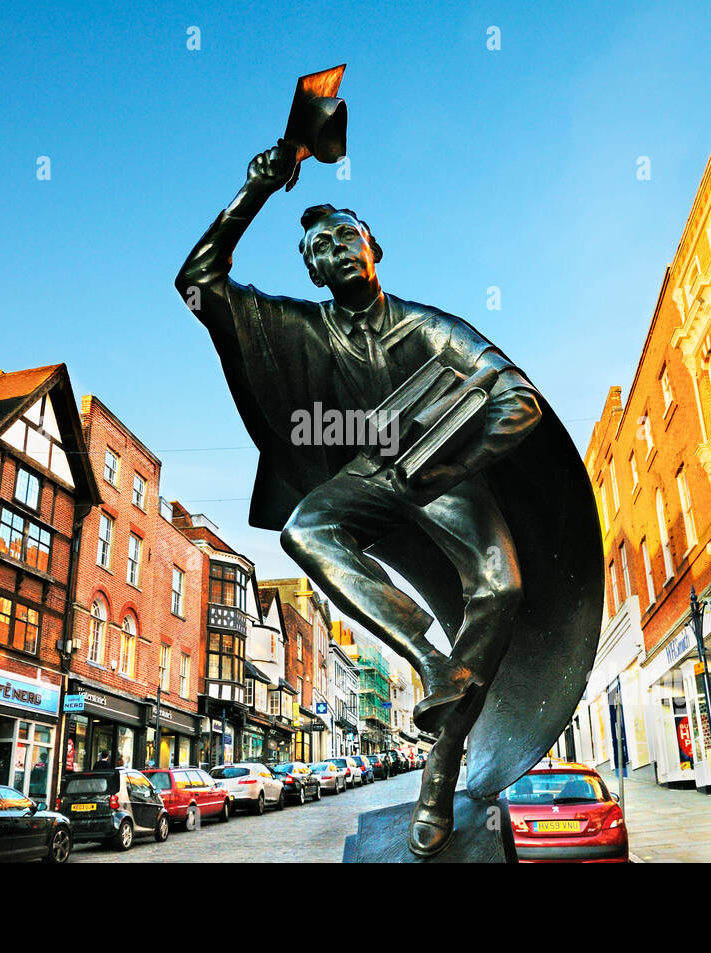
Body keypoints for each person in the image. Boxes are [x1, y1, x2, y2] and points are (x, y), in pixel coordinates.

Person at [175, 142, 596, 856]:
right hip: (371, 470)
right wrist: (258, 188)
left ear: (374, 247)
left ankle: (440, 775)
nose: (333, 250)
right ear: (309, 269)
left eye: (345, 235)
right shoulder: (303, 328)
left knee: (503, 584)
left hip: (443, 467)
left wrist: (451, 461)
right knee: (306, 531)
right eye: (317, 247)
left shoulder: (429, 327)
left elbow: (517, 397)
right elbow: (199, 280)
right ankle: (432, 660)